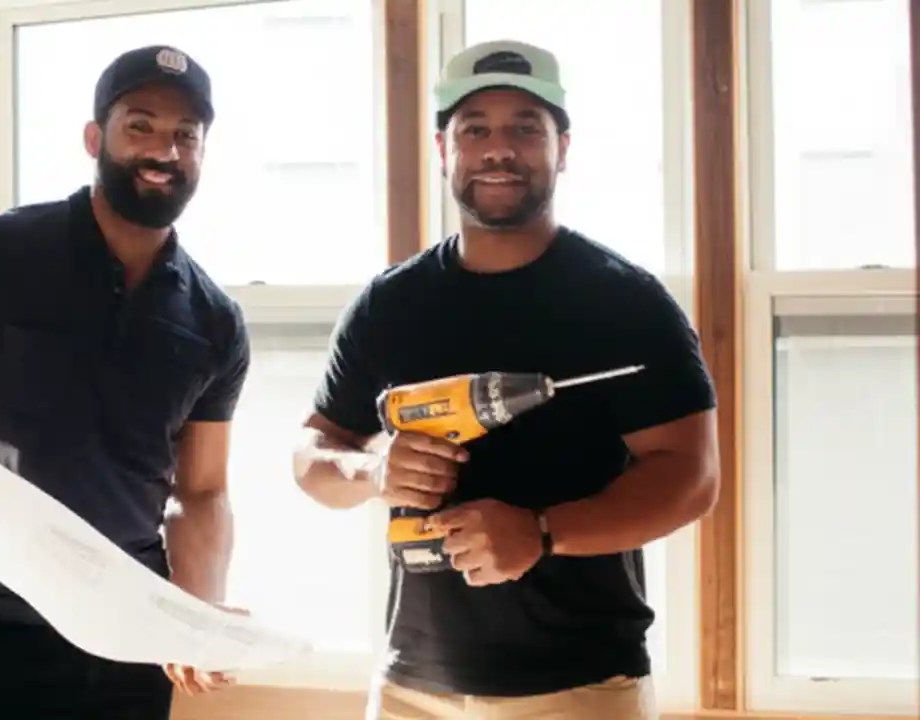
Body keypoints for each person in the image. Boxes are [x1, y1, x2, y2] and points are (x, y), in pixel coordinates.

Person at [292, 39, 721, 720]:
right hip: (412, 685)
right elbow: (312, 456)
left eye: (525, 127)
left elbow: (691, 479)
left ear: (563, 148)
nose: (500, 149)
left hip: (577, 685)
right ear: (444, 150)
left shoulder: (625, 303)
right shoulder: (388, 305)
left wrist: (543, 531)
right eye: (476, 129)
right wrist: (372, 472)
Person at [0, 45, 250, 719]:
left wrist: (195, 615)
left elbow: (201, 492)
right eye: (139, 125)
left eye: (185, 136)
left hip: (129, 633)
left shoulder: (215, 320)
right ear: (95, 138)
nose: (163, 150)